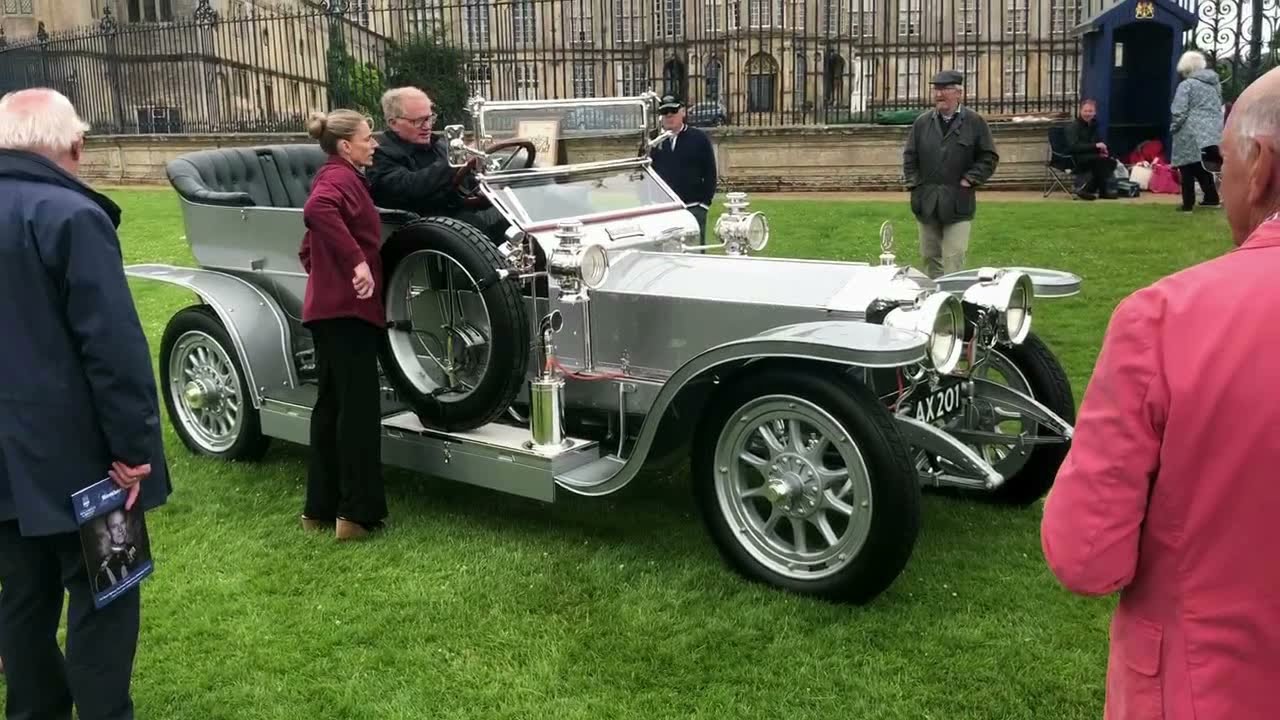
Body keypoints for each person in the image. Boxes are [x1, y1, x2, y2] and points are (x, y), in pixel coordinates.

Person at [1041, 66, 1280, 720]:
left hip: (1208, 685)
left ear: (1260, 167)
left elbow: (1085, 556)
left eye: (1221, 159)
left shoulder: (1166, 319)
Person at [0, 87, 171, 720]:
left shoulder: (63, 211)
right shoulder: (70, 215)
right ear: (73, 145)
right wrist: (130, 450)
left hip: (10, 453)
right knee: (106, 594)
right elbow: (112, 346)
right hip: (82, 459)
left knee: (22, 594)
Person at [298, 108, 389, 541]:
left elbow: (307, 248)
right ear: (345, 146)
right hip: (348, 314)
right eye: (368, 137)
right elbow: (317, 212)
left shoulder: (340, 176)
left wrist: (327, 272)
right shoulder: (337, 180)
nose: (374, 144)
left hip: (330, 310)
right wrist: (356, 265)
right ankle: (354, 515)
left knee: (331, 408)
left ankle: (318, 509)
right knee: (357, 412)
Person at [367, 86, 508, 244]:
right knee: (473, 226)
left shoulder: (438, 145)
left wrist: (485, 185)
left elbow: (463, 181)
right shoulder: (381, 155)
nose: (427, 126)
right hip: (422, 229)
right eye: (417, 121)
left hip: (458, 214)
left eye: (429, 118)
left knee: (517, 216)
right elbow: (410, 187)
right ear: (393, 123)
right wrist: (456, 159)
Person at [902, 69, 999, 279]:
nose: (939, 94)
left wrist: (969, 179)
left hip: (958, 203)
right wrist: (914, 184)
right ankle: (936, 305)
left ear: (959, 93)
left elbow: (989, 157)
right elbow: (910, 157)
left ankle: (953, 303)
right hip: (927, 203)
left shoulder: (975, 122)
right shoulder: (922, 123)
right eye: (936, 89)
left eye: (945, 89)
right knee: (929, 258)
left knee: (954, 259)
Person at [649, 94, 718, 243]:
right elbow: (642, 174)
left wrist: (704, 205)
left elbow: (710, 173)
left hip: (692, 208)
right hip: (662, 210)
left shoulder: (699, 138)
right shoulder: (652, 142)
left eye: (673, 111)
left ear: (683, 112)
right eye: (664, 112)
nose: (669, 116)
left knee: (695, 254)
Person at [1170, 49, 1224, 212]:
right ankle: (1211, 198)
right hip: (1209, 130)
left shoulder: (1186, 85)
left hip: (1190, 129)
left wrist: (1174, 127)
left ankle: (1187, 204)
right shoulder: (1214, 86)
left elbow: (1179, 110)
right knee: (1200, 166)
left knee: (1186, 166)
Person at [1064, 98, 1118, 200]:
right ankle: (1094, 190)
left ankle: (1092, 190)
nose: (1088, 114)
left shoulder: (1093, 126)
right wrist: (1096, 146)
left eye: (1090, 111)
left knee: (1110, 162)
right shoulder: (1073, 126)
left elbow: (1097, 142)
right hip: (1075, 158)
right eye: (1085, 111)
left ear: (1095, 112)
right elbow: (1073, 146)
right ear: (1080, 111)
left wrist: (1102, 151)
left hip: (1091, 157)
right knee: (1101, 162)